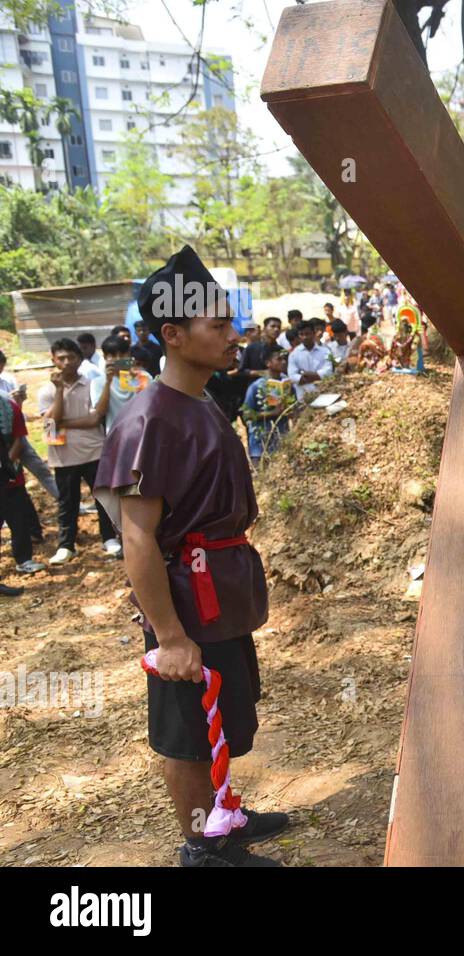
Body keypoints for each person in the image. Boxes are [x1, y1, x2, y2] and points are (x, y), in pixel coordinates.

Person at [94, 245, 287, 867]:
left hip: (221, 596)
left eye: (232, 322)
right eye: (219, 325)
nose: (235, 336)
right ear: (173, 335)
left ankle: (226, 813)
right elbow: (139, 536)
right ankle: (202, 846)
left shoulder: (202, 402)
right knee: (187, 737)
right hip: (187, 605)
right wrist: (169, 635)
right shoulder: (150, 418)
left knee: (221, 723)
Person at [37, 338, 118, 564]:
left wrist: (65, 422)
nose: (66, 362)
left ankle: (109, 537)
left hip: (94, 450)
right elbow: (52, 420)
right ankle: (66, 545)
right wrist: (60, 390)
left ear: (79, 359)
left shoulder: (92, 384)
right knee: (67, 503)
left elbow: (95, 418)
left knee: (103, 498)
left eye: (71, 357)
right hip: (63, 456)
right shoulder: (46, 390)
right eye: (61, 358)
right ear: (53, 359)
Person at [0, 388, 43, 578]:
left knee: (19, 520)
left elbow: (18, 440)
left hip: (10, 476)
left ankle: (24, 560)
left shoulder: (9, 408)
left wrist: (4, 465)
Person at [241, 347, 296, 468]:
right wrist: (272, 413)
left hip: (281, 439)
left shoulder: (288, 384)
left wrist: (290, 411)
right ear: (268, 363)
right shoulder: (256, 386)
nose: (283, 362)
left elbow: (294, 408)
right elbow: (247, 414)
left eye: (284, 359)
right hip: (260, 442)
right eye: (279, 359)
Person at [95, 334, 153, 433]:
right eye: (113, 355)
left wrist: (136, 377)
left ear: (129, 355)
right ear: (105, 357)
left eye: (122, 355)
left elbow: (149, 405)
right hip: (116, 435)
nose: (118, 359)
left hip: (142, 432)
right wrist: (108, 383)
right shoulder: (98, 382)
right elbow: (100, 412)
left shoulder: (144, 376)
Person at [287, 318, 333, 400]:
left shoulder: (325, 351)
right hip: (303, 397)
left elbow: (328, 371)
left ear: (313, 333)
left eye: (307, 334)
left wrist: (312, 375)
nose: (305, 337)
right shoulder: (294, 354)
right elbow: (292, 376)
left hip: (324, 394)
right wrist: (312, 377)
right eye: (301, 334)